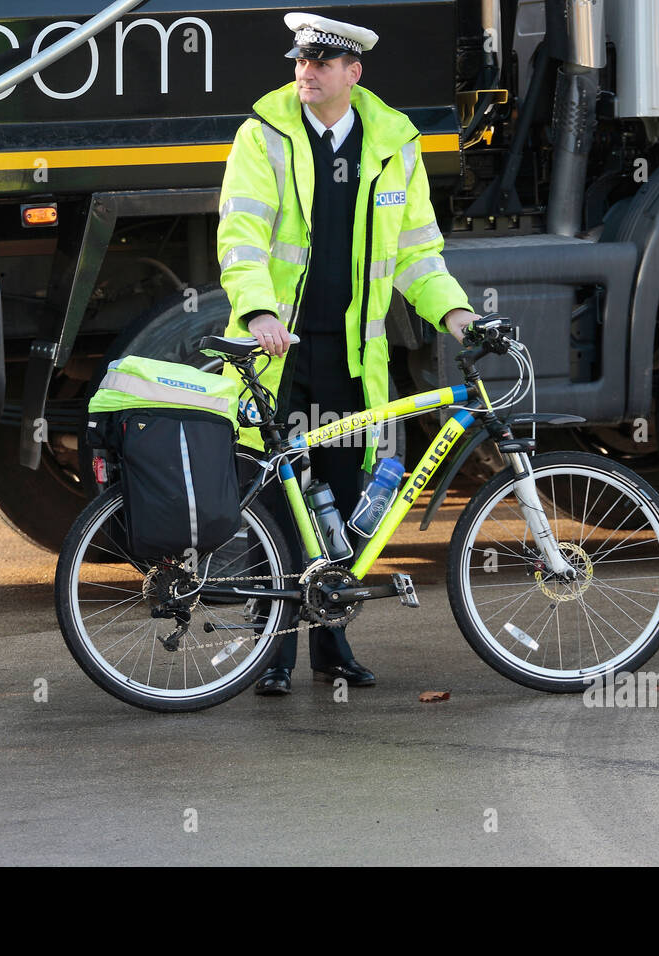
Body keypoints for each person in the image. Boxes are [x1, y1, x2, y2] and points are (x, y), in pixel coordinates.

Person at [217, 11, 479, 696]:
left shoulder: (394, 143)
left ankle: (330, 645)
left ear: (353, 73)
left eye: (322, 63)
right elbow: (240, 234)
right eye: (301, 61)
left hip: (352, 358)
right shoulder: (263, 134)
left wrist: (455, 312)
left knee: (341, 493)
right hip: (279, 350)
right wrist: (259, 309)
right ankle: (271, 652)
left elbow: (418, 251)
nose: (306, 72)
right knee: (278, 497)